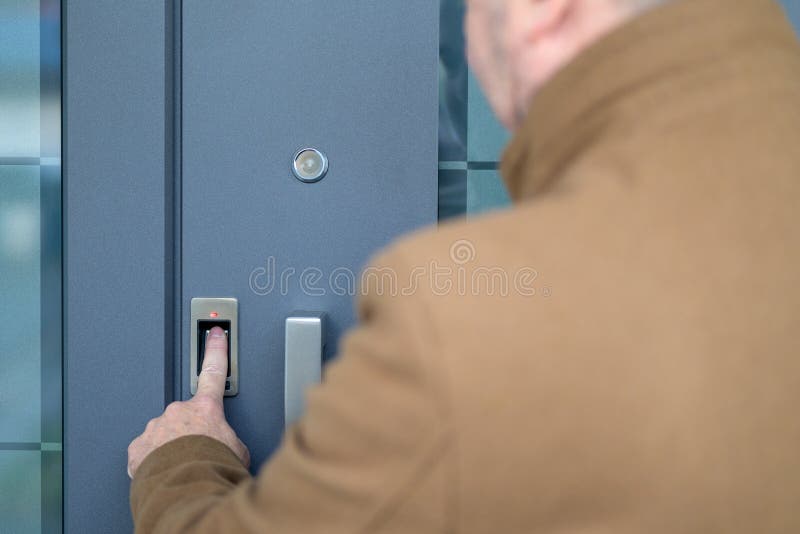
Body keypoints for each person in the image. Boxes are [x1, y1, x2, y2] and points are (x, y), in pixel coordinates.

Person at [128, 0, 800, 531]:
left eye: (469, 11)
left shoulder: (460, 322)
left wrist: (182, 465)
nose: (467, 57)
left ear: (542, 10)